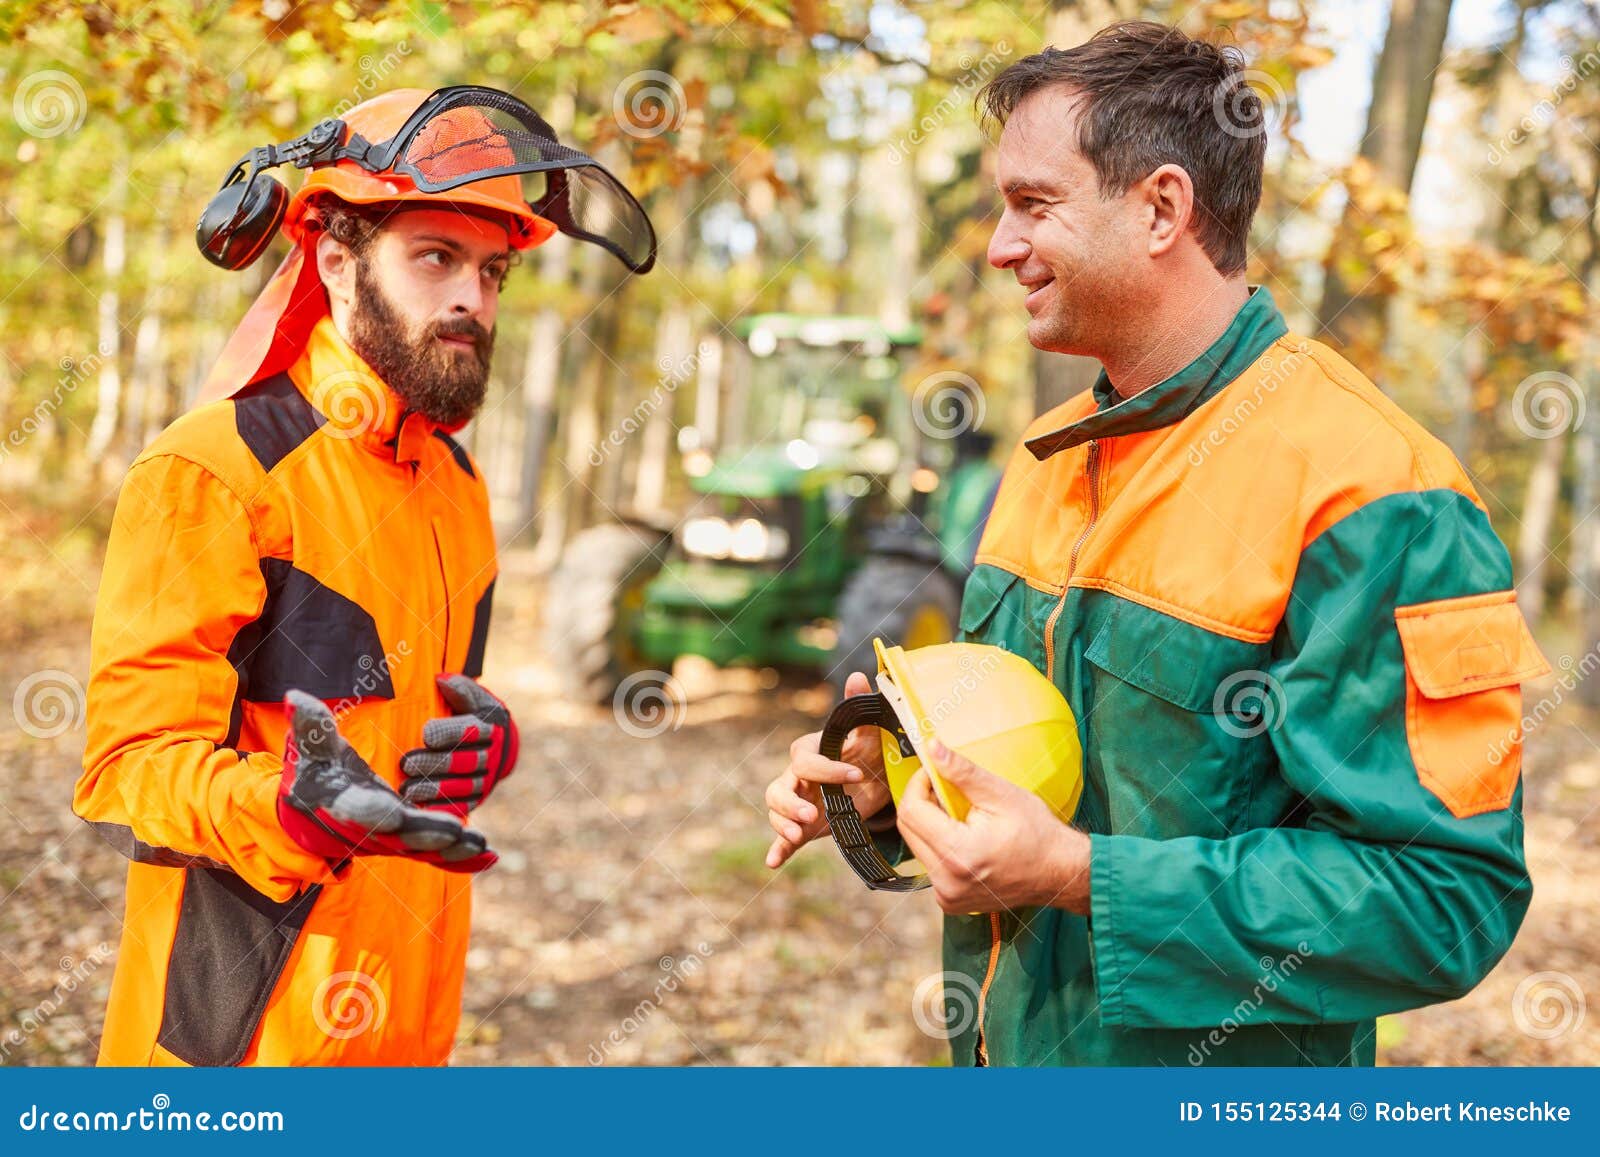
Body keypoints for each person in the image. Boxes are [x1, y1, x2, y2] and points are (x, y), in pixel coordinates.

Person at [765, 22, 1550, 1066]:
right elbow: (1038, 768)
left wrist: (1083, 874)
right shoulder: (1044, 460)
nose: (1000, 247)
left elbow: (1444, 897)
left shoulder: (1375, 493)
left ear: (1161, 209)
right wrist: (888, 790)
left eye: (1032, 206)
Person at [73, 86, 652, 1065]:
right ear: (336, 262)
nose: (472, 298)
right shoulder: (215, 467)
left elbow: (419, 720)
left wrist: (481, 744)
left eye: (493, 270)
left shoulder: (457, 484)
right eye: (436, 257)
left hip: (409, 1020)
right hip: (238, 1043)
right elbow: (124, 766)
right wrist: (290, 806)